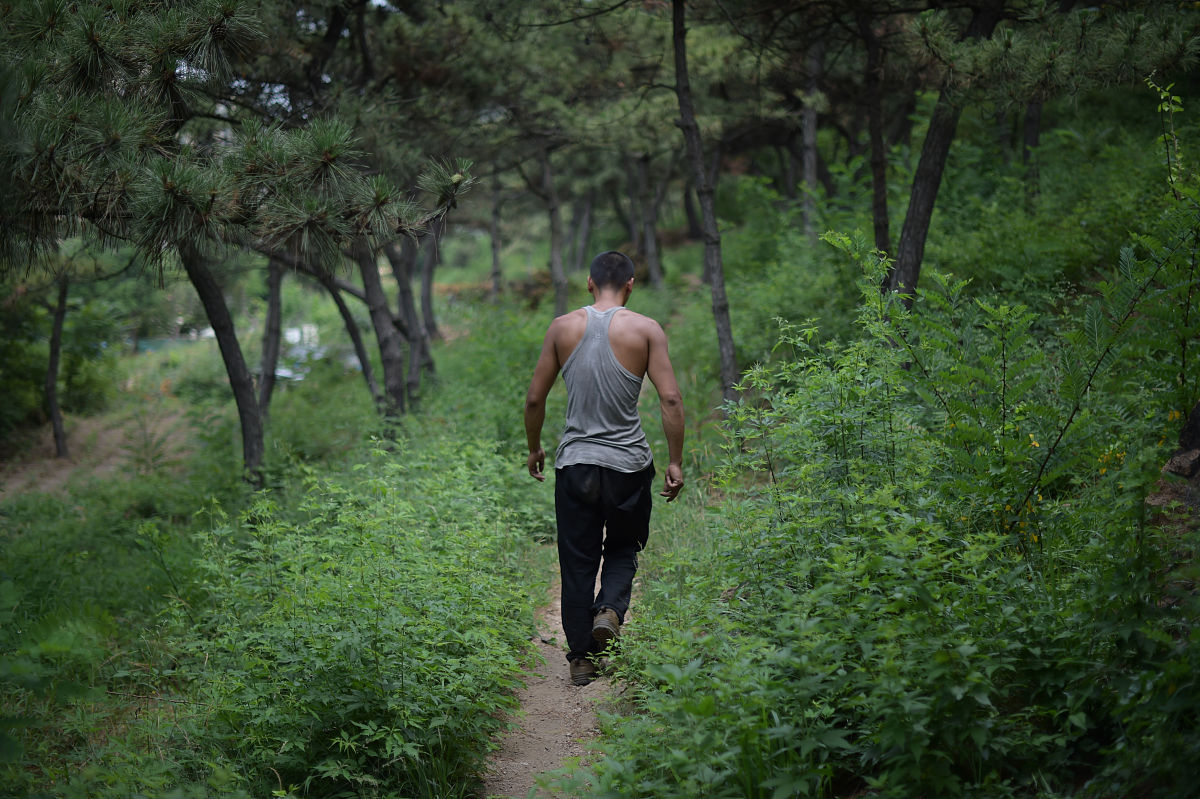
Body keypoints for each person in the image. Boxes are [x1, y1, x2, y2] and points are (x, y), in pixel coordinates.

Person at [524, 250, 685, 686]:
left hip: (575, 464)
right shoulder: (646, 329)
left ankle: (580, 659)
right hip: (629, 467)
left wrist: (535, 447)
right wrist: (674, 460)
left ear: (590, 283)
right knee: (621, 549)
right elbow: (670, 399)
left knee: (577, 561)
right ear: (631, 284)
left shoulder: (562, 328)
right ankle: (610, 609)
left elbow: (535, 399)